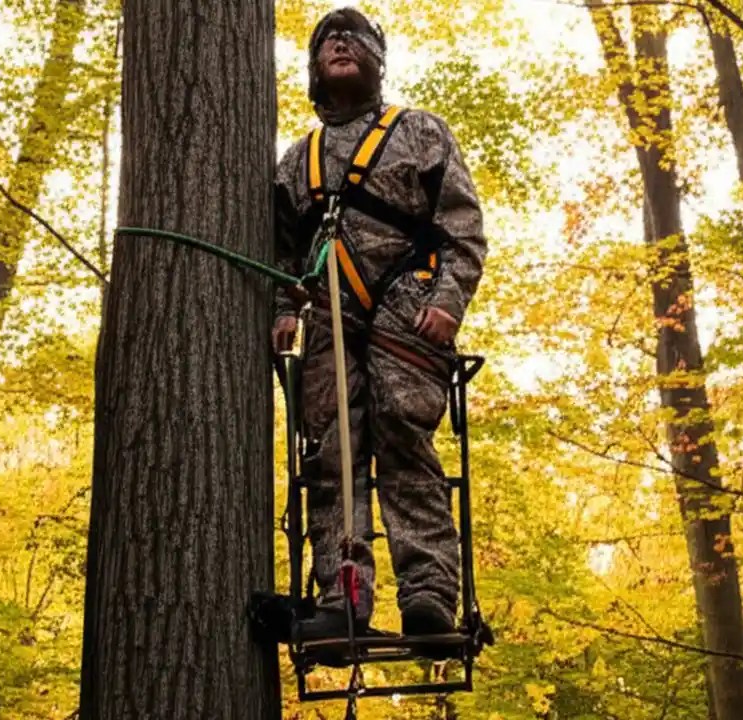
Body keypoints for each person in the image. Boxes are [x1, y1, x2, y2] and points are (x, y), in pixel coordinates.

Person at [270, 7, 487, 647]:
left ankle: (429, 595)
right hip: (327, 328)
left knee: (405, 446)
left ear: (376, 62)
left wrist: (449, 298)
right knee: (333, 458)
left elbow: (463, 228)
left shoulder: (420, 132)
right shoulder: (293, 162)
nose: (339, 44)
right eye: (326, 42)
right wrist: (285, 305)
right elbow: (282, 251)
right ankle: (343, 597)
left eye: (354, 38)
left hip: (408, 317)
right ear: (313, 70)